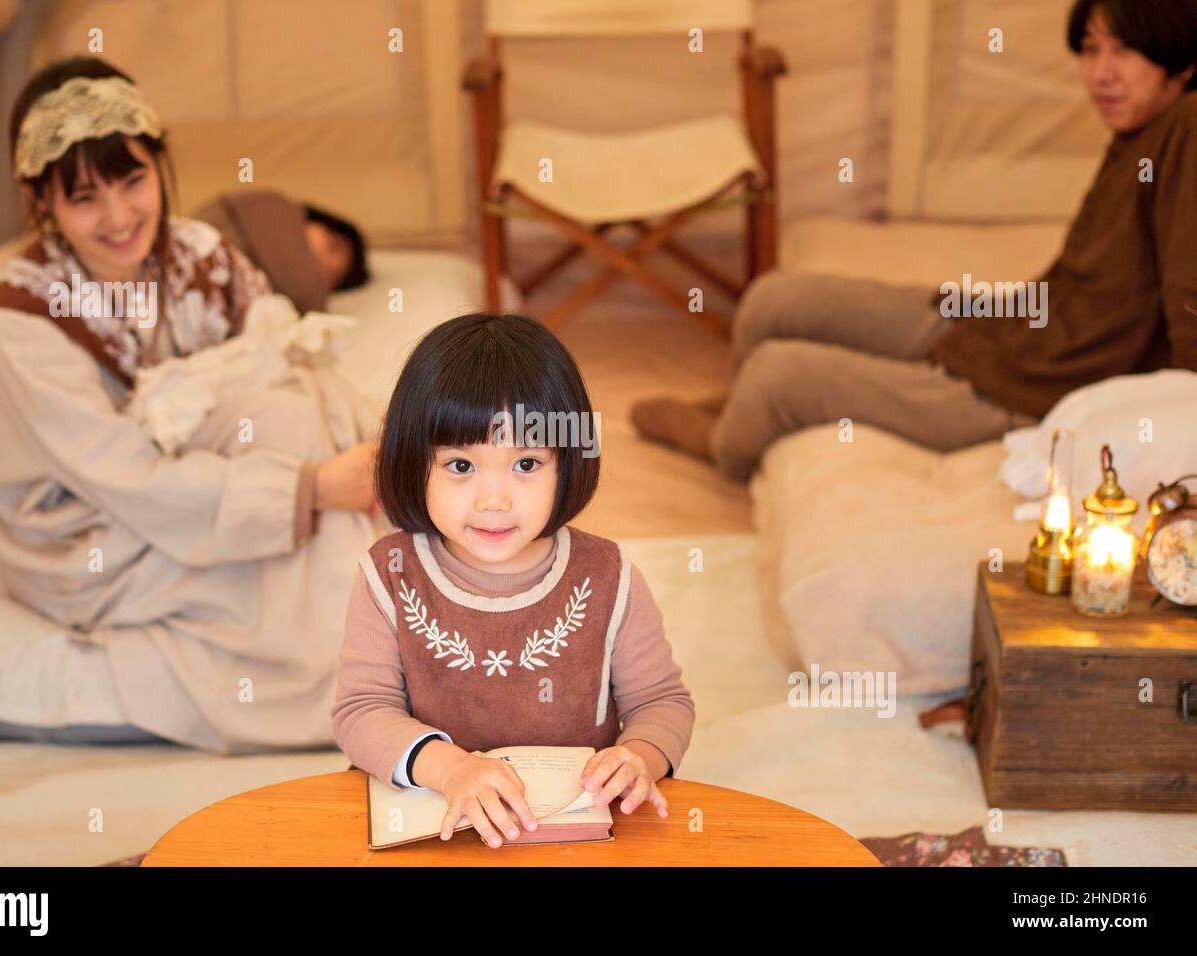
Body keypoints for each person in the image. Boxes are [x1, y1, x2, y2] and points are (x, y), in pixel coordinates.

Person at [0, 56, 384, 752]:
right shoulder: (24, 317)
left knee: (296, 408)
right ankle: (356, 692)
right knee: (311, 507)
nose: (120, 217)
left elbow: (293, 359)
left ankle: (376, 636)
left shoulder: (199, 252)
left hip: (206, 483)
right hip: (92, 529)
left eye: (133, 182)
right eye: (85, 199)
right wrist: (310, 492)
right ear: (44, 202)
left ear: (160, 166)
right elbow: (126, 478)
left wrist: (386, 437)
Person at [632, 0, 1197, 483]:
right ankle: (740, 414)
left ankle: (724, 444)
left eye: (1124, 51)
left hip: (1035, 389)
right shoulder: (1140, 128)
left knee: (776, 376)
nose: (1101, 73)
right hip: (1018, 324)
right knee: (771, 302)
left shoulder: (1188, 131)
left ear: (1182, 58)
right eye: (1091, 49)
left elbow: (1189, 291)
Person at [331, 313, 695, 847]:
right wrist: (452, 769)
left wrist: (640, 755)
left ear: (567, 463)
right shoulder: (387, 574)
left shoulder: (609, 576)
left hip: (573, 834)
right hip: (432, 828)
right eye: (460, 466)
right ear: (414, 463)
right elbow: (362, 712)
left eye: (526, 464)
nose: (494, 500)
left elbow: (663, 703)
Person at [192, 190, 370, 313]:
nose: (322, 260)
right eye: (333, 245)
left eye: (332, 277)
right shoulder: (272, 207)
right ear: (319, 221)